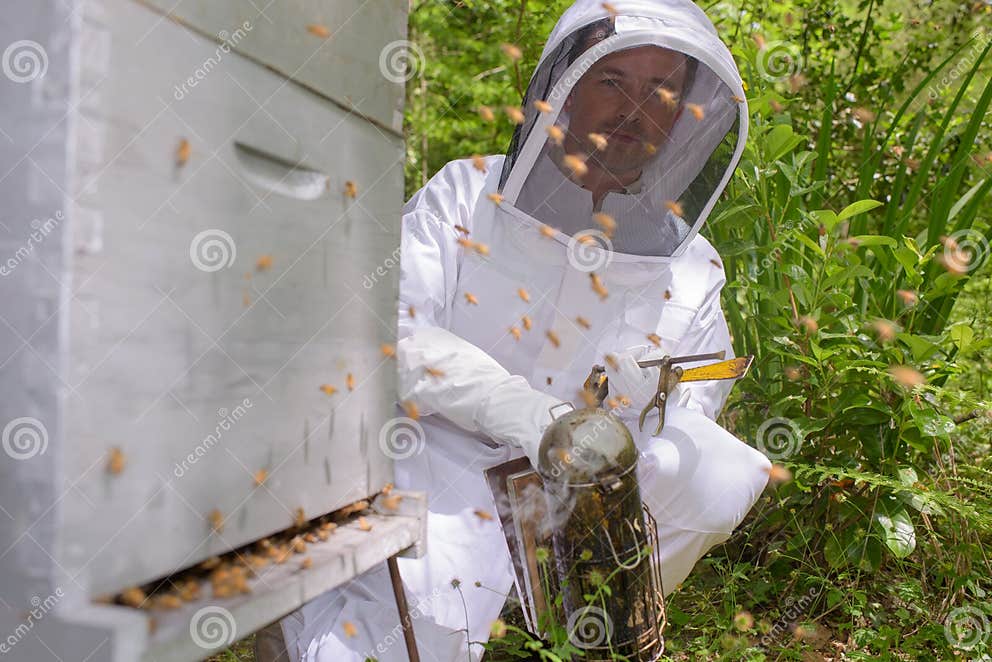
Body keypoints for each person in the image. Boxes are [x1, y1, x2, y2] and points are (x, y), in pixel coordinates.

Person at [260, 0, 771, 659]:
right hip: (435, 460)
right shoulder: (466, 194)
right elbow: (394, 330)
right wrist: (535, 416)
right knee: (403, 631)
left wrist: (641, 398)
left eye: (661, 91)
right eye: (612, 82)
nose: (635, 111)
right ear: (565, 88)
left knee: (723, 471)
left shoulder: (691, 265)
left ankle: (589, 621)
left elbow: (698, 401)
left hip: (584, 498)